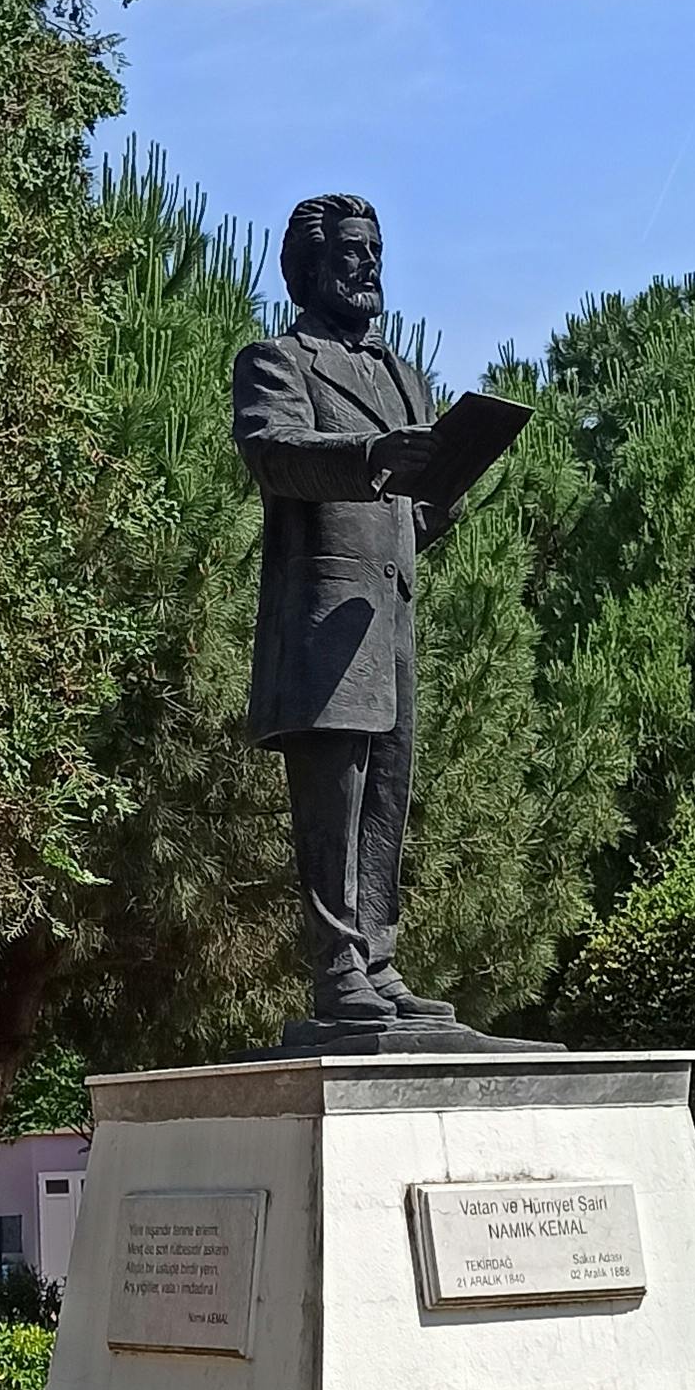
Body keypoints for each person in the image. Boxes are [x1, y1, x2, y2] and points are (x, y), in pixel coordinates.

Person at [232, 192, 479, 1045]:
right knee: (333, 805)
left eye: (374, 250)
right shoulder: (277, 361)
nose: (367, 264)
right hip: (325, 619)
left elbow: (416, 511)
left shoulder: (406, 376)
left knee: (387, 803)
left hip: (393, 617)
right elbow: (275, 455)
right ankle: (338, 970)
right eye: (348, 252)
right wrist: (372, 456)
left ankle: (378, 961)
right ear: (307, 268)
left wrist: (443, 483)